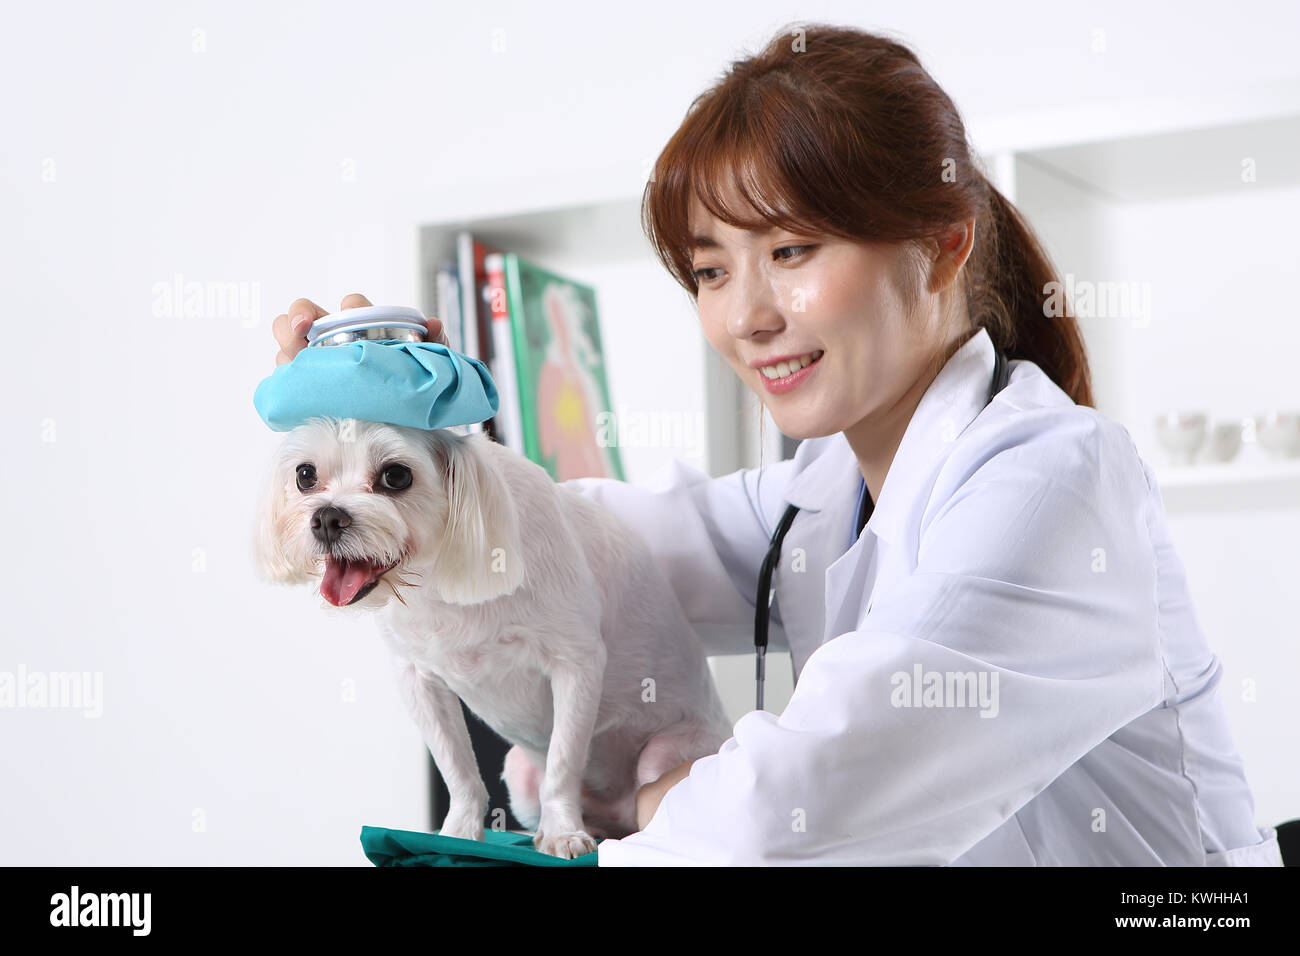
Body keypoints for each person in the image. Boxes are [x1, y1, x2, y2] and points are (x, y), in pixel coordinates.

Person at [270, 23, 1281, 866]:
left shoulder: (1054, 479)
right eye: (711, 270)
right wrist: (415, 450)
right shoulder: (818, 491)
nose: (747, 315)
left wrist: (659, 806)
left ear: (940, 244)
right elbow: (577, 543)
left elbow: (799, 801)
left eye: (791, 251)